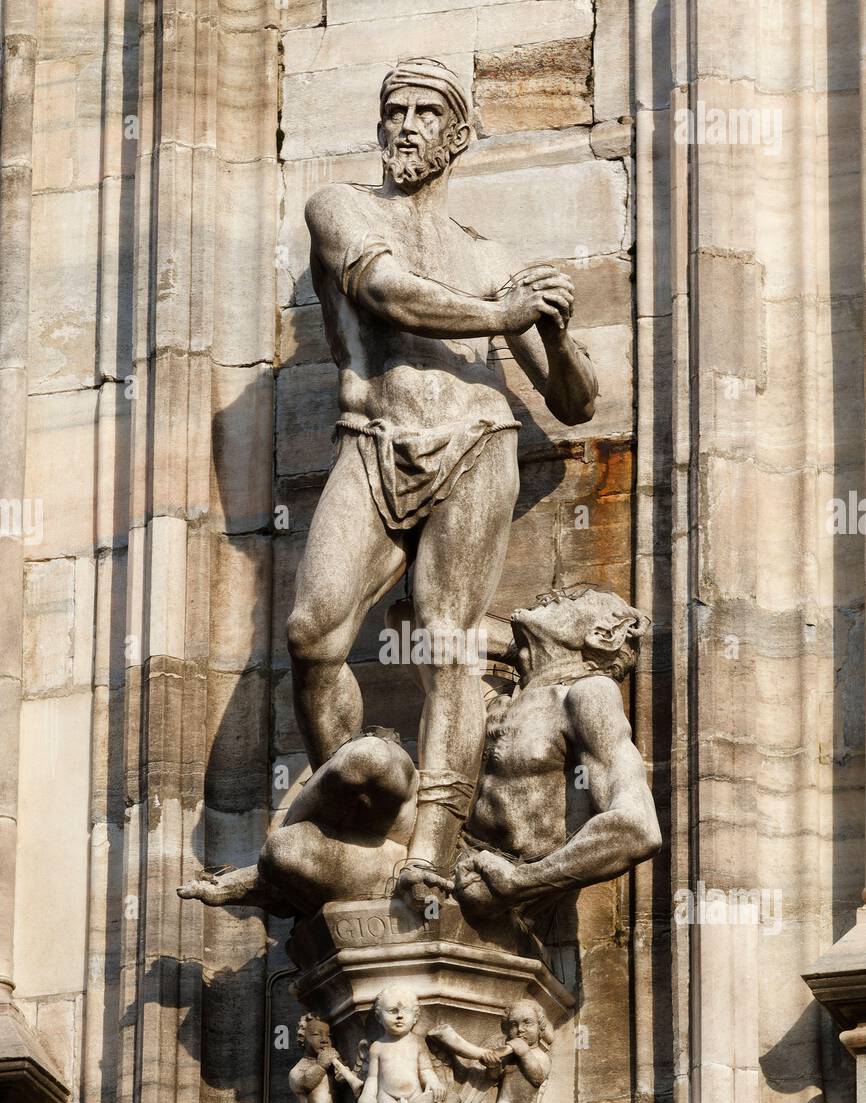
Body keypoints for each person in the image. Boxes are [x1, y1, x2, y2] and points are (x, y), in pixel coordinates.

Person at [286, 56, 598, 901]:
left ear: (458, 137)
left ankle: (429, 848)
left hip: (475, 444)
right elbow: (387, 294)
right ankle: (353, 811)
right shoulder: (341, 208)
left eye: (427, 112)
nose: (406, 125)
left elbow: (573, 402)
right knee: (312, 632)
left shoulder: (488, 253)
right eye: (395, 110)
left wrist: (557, 331)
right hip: (375, 435)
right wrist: (503, 313)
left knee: (446, 643)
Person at [178, 586, 661, 943]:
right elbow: (408, 620)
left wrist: (521, 883)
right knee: (368, 757)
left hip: (481, 881)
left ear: (600, 634)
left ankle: (272, 879)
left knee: (288, 851)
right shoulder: (491, 698)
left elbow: (637, 828)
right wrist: (524, 644)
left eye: (566, 598)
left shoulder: (588, 696)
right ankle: (270, 882)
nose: (548, 595)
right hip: (434, 839)